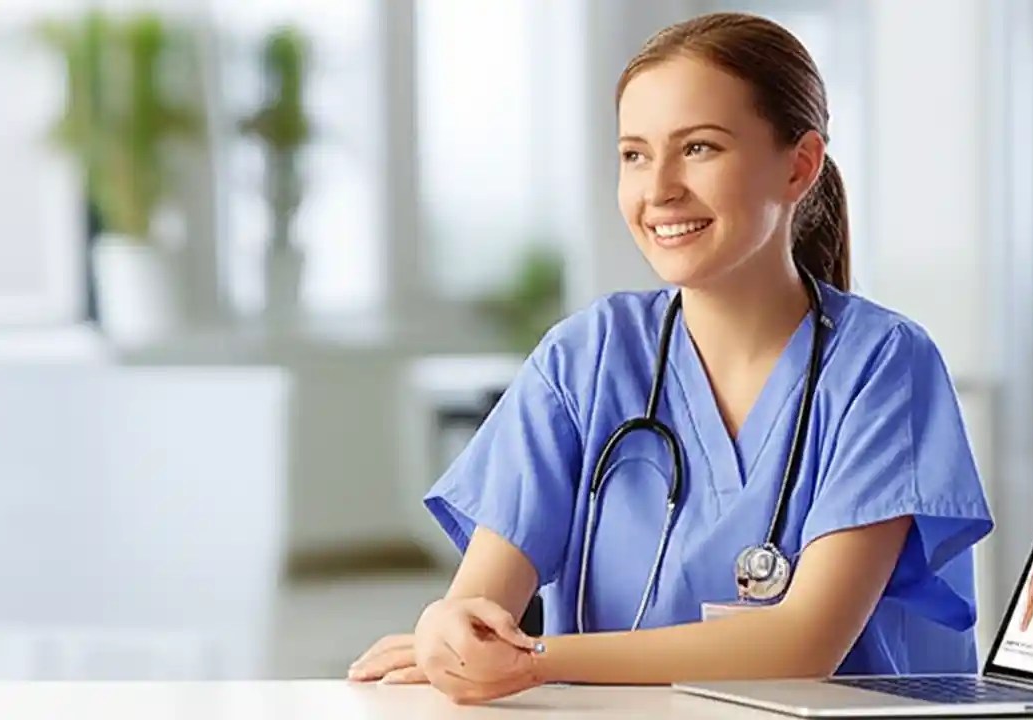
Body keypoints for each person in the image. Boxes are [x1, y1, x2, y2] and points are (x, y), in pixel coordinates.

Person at [347, 11, 993, 704]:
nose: (658, 190)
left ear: (799, 166)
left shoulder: (883, 365)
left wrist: (534, 658)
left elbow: (803, 642)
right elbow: (480, 607)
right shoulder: (586, 358)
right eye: (634, 154)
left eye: (700, 149)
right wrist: (451, 630)